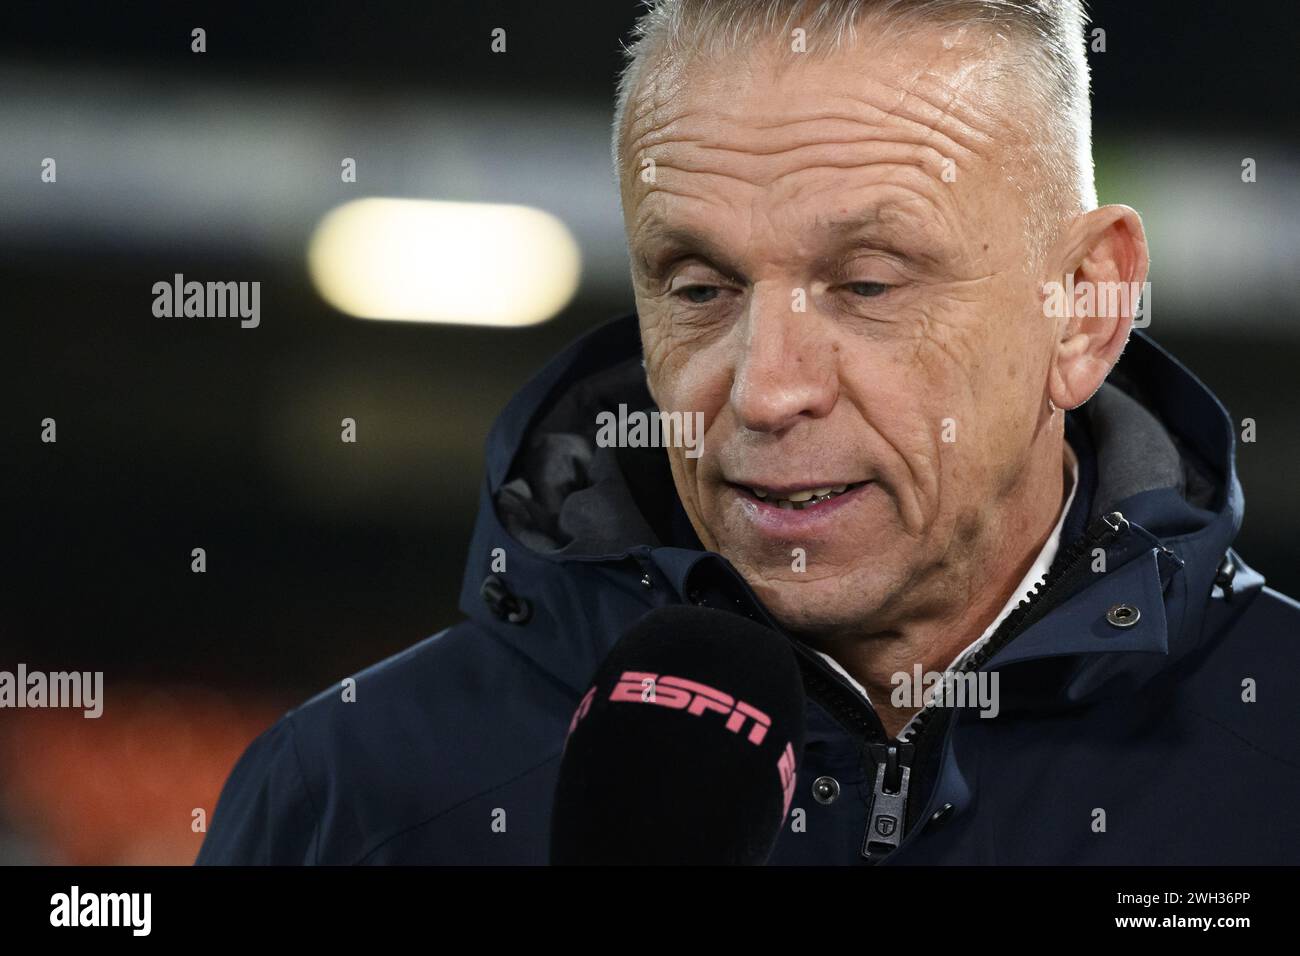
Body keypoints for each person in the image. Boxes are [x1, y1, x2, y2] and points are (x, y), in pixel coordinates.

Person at [197, 0, 1300, 865]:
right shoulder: (353, 791)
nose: (766, 391)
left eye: (866, 284)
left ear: (1085, 304)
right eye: (698, 288)